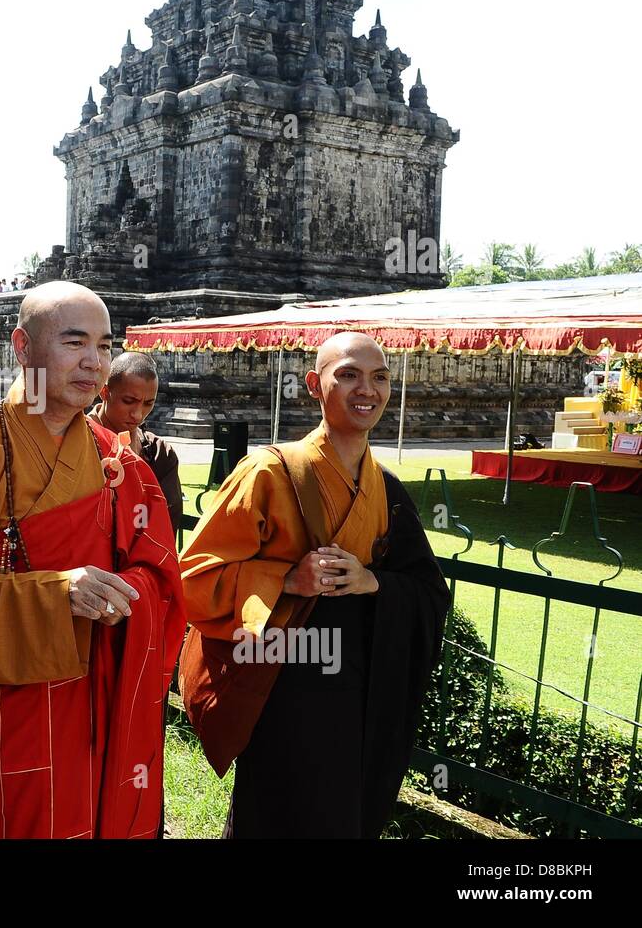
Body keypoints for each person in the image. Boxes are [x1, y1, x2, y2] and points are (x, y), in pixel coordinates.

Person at [0, 281, 185, 838]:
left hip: (98, 683)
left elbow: (161, 571)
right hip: (5, 689)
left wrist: (126, 592)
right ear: (23, 347)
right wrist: (55, 596)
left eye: (104, 346)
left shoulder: (117, 458)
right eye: (74, 342)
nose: (93, 362)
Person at [178, 332, 451, 838]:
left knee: (346, 815)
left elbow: (429, 592)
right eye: (347, 374)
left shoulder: (385, 487)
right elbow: (193, 578)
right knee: (278, 812)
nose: (365, 389)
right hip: (286, 681)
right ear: (313, 385)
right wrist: (286, 579)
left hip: (360, 689)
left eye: (379, 377)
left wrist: (374, 583)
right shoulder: (267, 472)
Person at [89, 351, 182, 529]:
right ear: (105, 391)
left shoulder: (159, 454)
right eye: (129, 401)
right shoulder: (77, 443)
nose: (138, 415)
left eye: (148, 403)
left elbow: (166, 525)